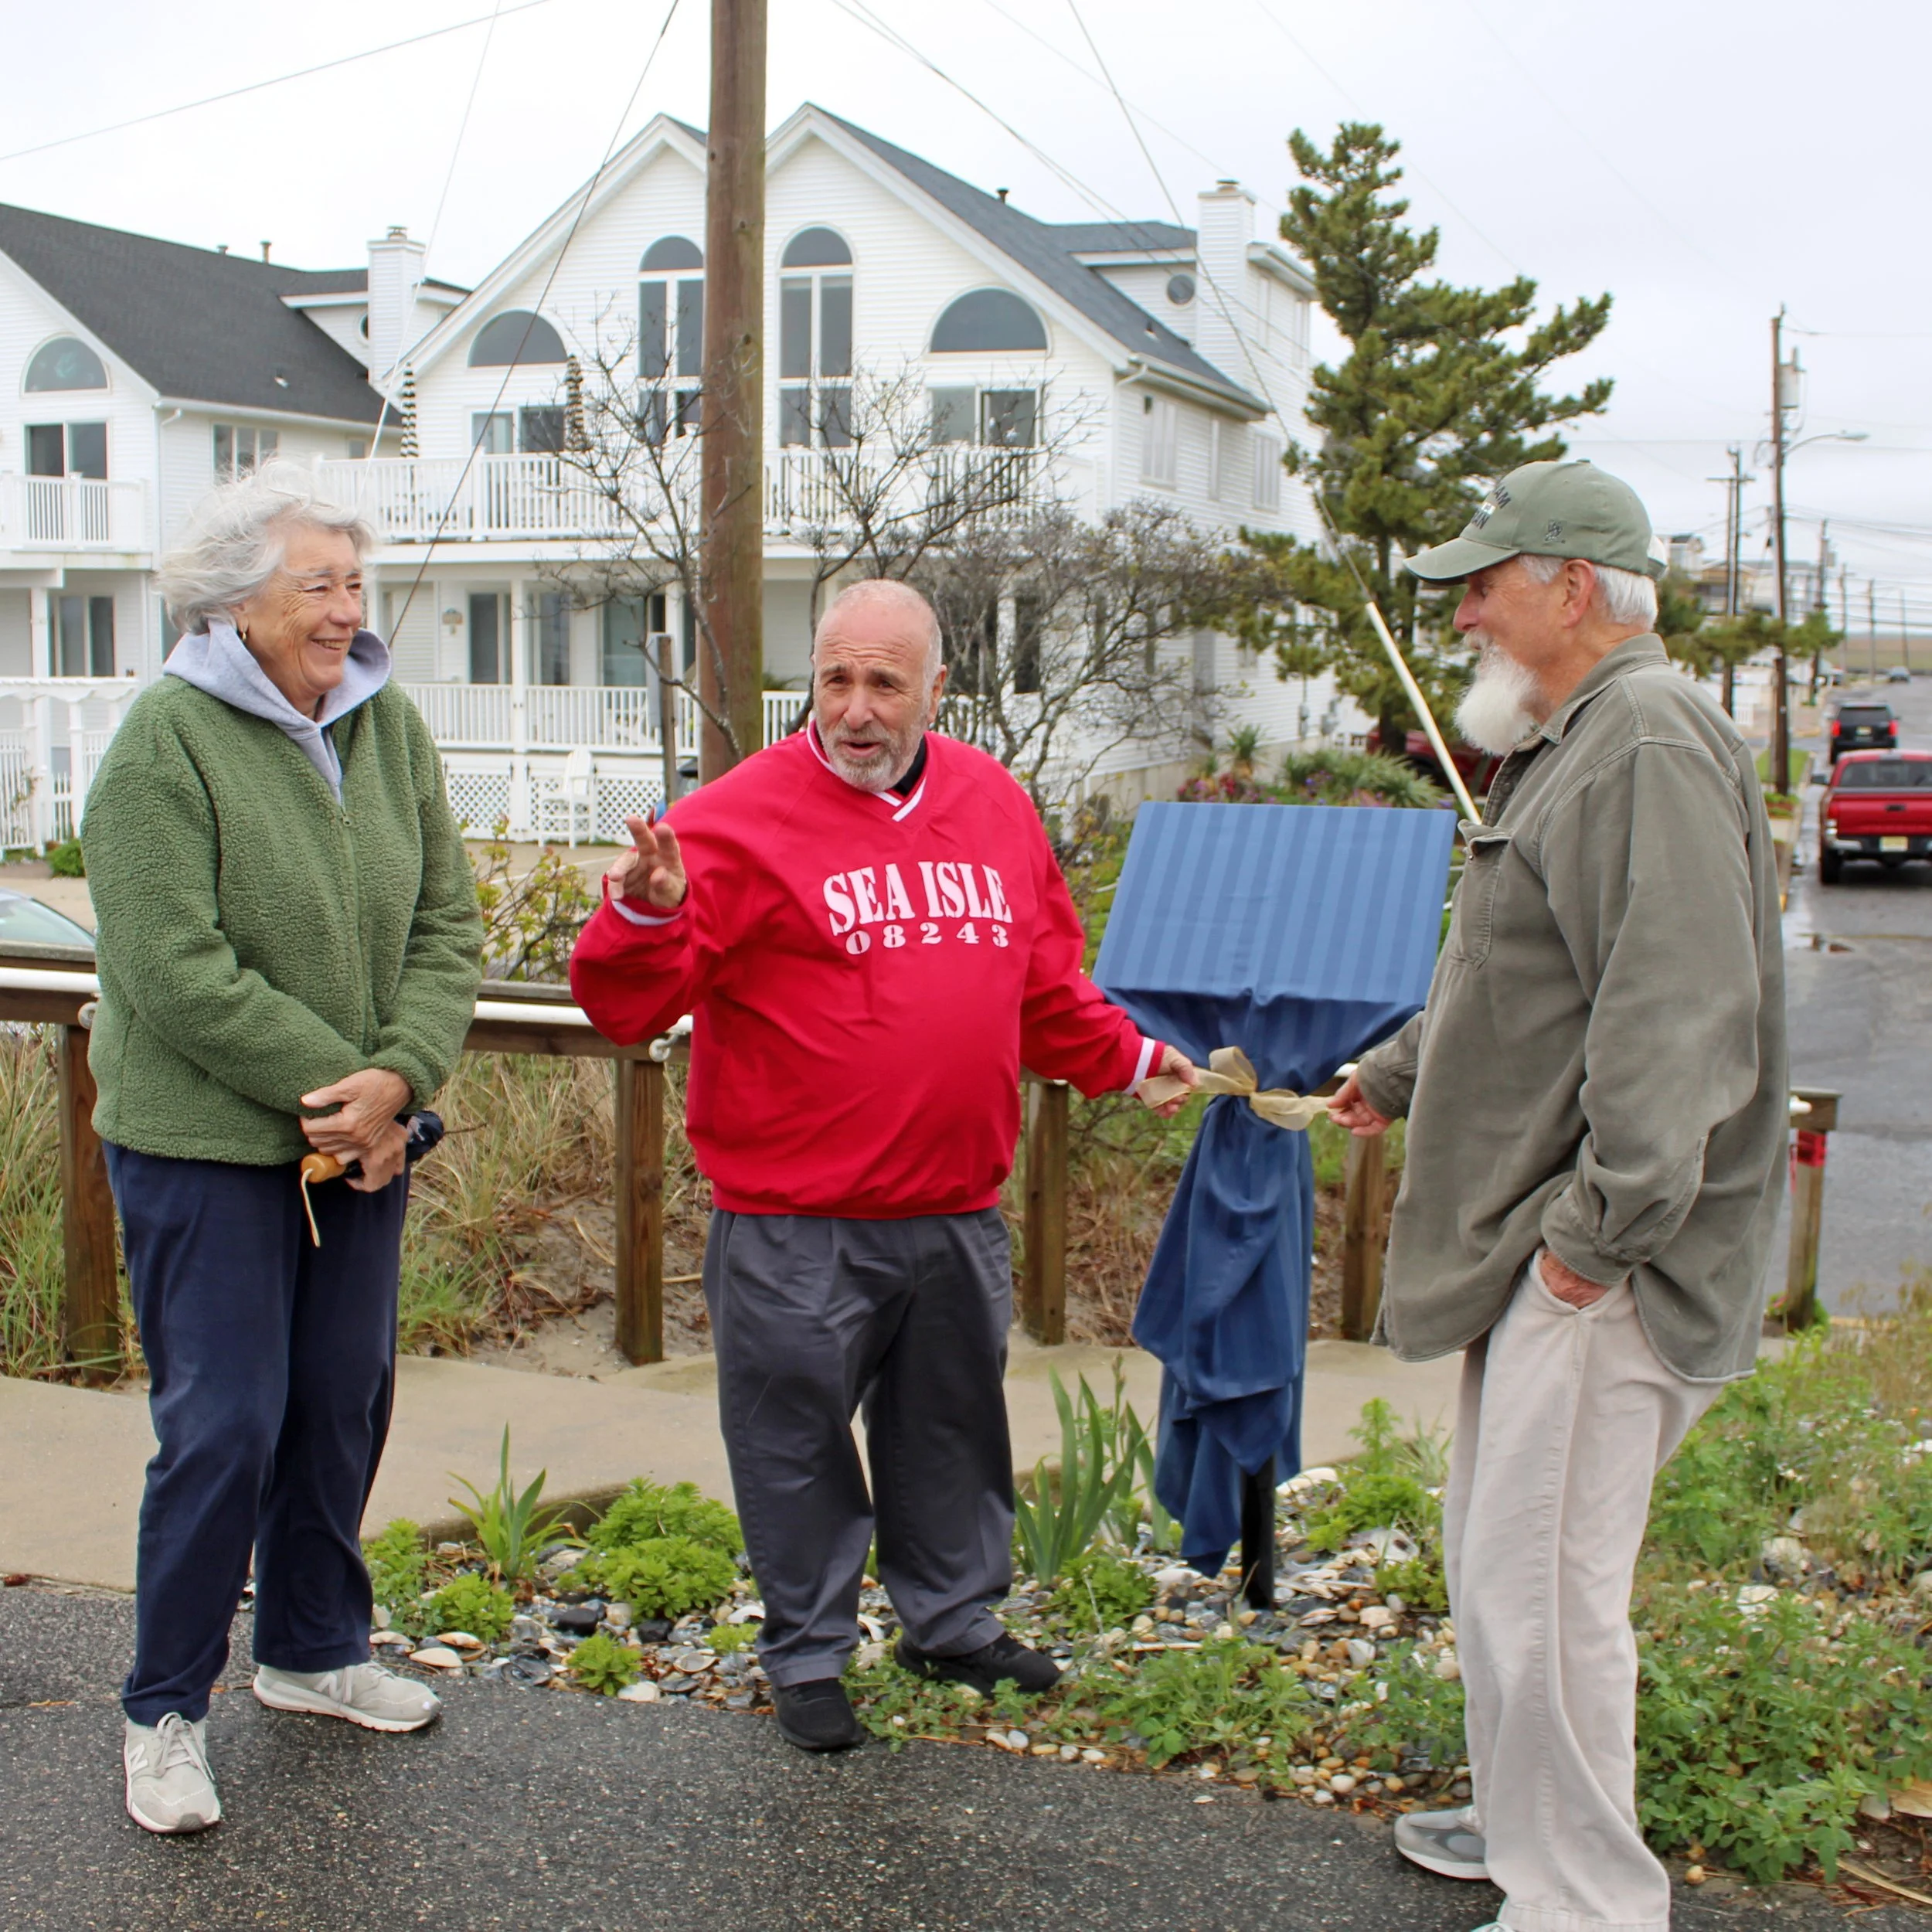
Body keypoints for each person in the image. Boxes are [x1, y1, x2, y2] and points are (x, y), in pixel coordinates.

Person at [570, 578, 1196, 1753]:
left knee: (949, 1432)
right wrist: (648, 917)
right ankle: (809, 1655)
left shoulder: (994, 805)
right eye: (835, 680)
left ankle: (951, 1625)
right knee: (792, 1440)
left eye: (884, 683)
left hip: (954, 1206)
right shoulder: (735, 816)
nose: (855, 710)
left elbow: (1045, 990)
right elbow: (624, 1005)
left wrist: (1134, 1058)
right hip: (794, 1219)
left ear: (937, 690)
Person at [1327, 460, 1787, 1932]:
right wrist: (1396, 1073)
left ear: (1573, 587)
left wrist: (1594, 1248)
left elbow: (1673, 1016)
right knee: (1504, 1558)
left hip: (1603, 1253)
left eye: (1487, 580)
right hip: (1567, 1238)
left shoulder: (1643, 737)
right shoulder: (1587, 735)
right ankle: (1526, 1822)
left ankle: (1584, 1899)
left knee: (1544, 1584)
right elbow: (1522, 971)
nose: (1462, 611)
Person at [82, 463, 484, 1834]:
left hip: (357, 1145)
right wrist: (351, 1088)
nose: (346, 611)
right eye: (319, 585)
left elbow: (449, 928)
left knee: (338, 1404)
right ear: (233, 599)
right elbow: (170, 966)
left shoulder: (389, 728)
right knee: (223, 1427)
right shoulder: (164, 743)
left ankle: (312, 1651)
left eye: (355, 584)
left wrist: (403, 1076)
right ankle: (164, 1710)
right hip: (206, 1149)